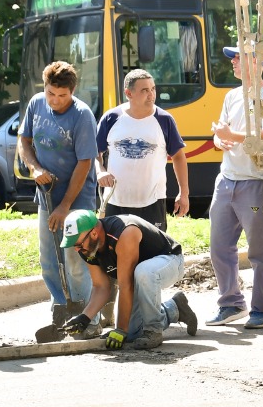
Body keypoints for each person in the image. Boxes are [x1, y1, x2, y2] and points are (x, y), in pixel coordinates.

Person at [206, 46, 263, 329]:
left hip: (255, 181)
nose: (233, 62)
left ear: (257, 62)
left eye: (238, 57)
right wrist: (220, 140)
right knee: (219, 247)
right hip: (226, 180)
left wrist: (232, 136)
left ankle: (261, 311)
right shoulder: (231, 96)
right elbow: (220, 133)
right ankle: (231, 304)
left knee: (260, 252)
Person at [17, 61, 99, 329]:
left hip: (76, 201)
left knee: (76, 261)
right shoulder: (36, 104)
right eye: (50, 93)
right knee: (49, 259)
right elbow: (24, 140)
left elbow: (85, 163)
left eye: (62, 95)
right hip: (46, 196)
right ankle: (61, 308)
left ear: (72, 91)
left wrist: (65, 206)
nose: (54, 100)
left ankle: (88, 318)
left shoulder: (82, 115)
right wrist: (34, 168)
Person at [59, 210, 196, 351]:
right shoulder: (88, 247)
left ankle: (153, 330)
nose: (77, 249)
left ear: (94, 233)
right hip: (140, 277)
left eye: (78, 244)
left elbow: (126, 286)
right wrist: (84, 317)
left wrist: (120, 329)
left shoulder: (124, 233)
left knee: (143, 272)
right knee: (132, 333)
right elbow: (101, 287)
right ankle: (175, 308)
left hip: (170, 262)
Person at [95, 69, 190, 230]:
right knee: (116, 246)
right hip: (115, 201)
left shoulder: (164, 119)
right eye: (145, 90)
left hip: (153, 202)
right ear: (128, 93)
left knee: (153, 246)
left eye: (153, 89)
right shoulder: (111, 118)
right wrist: (100, 171)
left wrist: (184, 193)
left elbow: (179, 156)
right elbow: (95, 153)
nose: (151, 95)